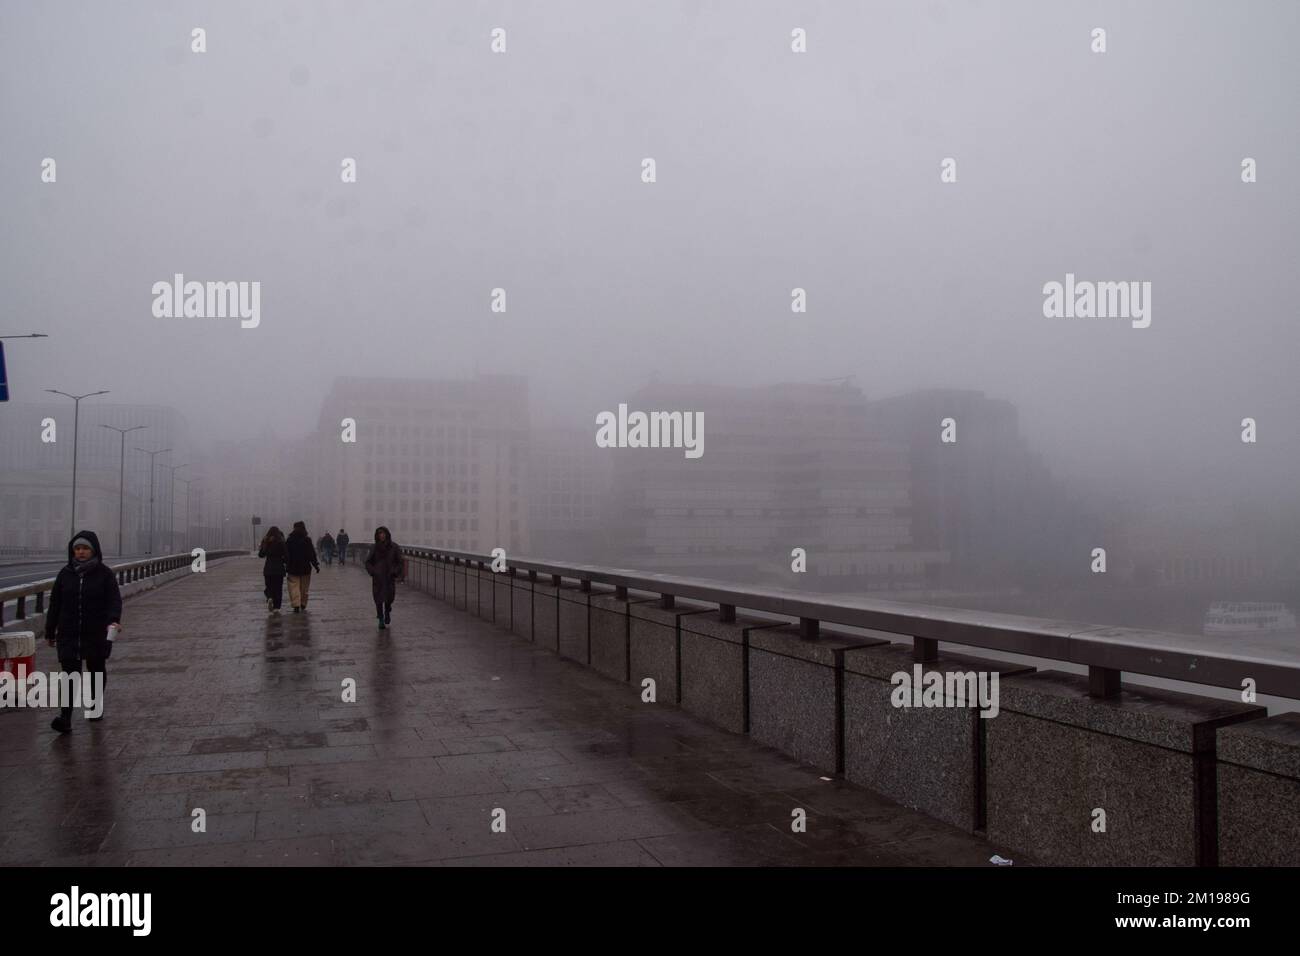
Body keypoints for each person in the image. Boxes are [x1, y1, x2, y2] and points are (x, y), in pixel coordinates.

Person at [44, 530, 121, 733]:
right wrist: (50, 630)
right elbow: (55, 603)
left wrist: (113, 621)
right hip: (69, 632)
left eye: (85, 548)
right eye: (77, 549)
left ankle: (95, 707)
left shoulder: (104, 574)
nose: (80, 552)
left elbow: (114, 600)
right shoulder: (65, 574)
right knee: (70, 674)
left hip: (95, 631)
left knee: (96, 669)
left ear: (93, 550)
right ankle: (65, 717)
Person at [364, 526, 404, 629]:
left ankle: (387, 611)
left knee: (389, 597)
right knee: (378, 599)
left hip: (389, 577)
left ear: (387, 534)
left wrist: (395, 572)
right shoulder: (374, 547)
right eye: (379, 533)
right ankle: (381, 619)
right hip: (378, 578)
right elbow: (368, 562)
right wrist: (373, 572)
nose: (381, 535)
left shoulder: (394, 547)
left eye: (383, 533)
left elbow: (400, 562)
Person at [284, 521, 320, 612]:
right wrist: (316, 565)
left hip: (293, 567)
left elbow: (286, 554)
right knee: (304, 587)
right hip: (305, 568)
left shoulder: (289, 540)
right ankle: (303, 603)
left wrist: (286, 564)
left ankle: (296, 604)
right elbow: (312, 554)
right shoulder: (307, 540)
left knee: (293, 586)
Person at [258, 525, 288, 612]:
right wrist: (285, 563)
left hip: (268, 568)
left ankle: (269, 597)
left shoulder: (266, 541)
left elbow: (261, 555)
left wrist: (265, 543)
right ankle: (277, 607)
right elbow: (286, 556)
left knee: (269, 586)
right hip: (279, 568)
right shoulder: (281, 542)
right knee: (278, 588)